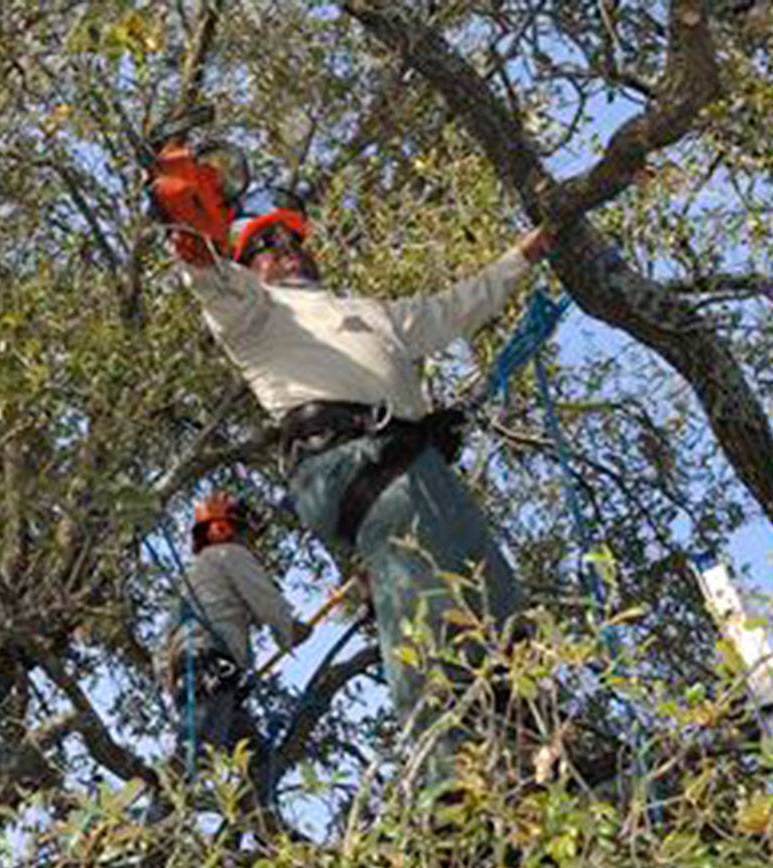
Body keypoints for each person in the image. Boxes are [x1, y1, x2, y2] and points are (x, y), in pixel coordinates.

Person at [150, 143, 555, 770]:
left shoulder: (372, 314)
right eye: (259, 249)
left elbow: (455, 308)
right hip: (351, 464)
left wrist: (525, 253)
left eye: (286, 243)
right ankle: (450, 791)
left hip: (415, 466)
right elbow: (210, 276)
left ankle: (537, 748)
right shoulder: (256, 313)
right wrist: (189, 225)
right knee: (423, 607)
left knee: (494, 592)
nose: (276, 254)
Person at [157, 491, 312, 762]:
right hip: (211, 665)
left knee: (255, 760)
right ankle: (164, 799)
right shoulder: (230, 554)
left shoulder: (192, 576)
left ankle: (257, 801)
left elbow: (163, 645)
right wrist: (288, 629)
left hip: (192, 674)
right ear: (224, 528)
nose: (251, 542)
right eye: (247, 533)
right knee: (195, 755)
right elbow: (264, 599)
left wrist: (170, 682)